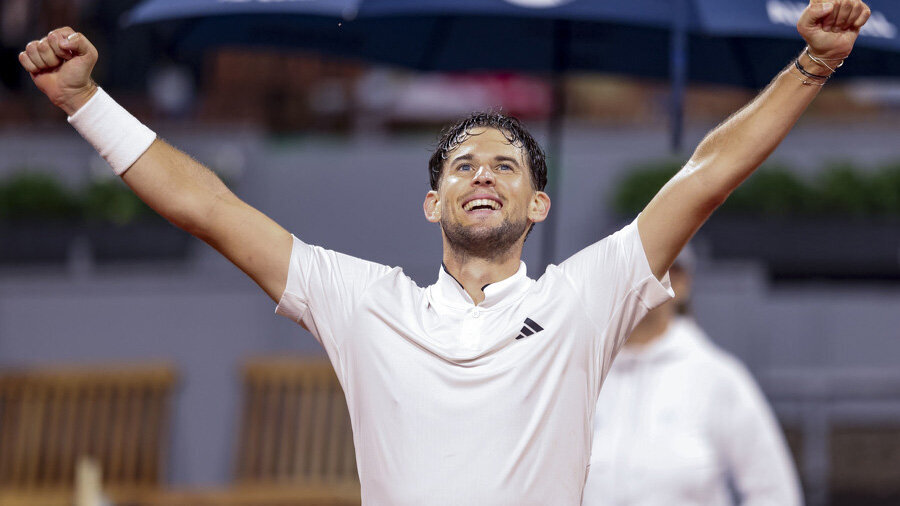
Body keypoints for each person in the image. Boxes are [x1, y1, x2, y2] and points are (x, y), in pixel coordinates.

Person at [17, 1, 869, 504]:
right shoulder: (362, 303)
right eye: (464, 165)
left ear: (540, 204)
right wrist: (87, 102)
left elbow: (705, 176)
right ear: (434, 203)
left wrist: (812, 65)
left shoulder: (584, 295)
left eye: (506, 164)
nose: (483, 175)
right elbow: (209, 208)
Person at [582, 249, 804, 506]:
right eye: (622, 267)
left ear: (680, 281)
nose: (631, 279)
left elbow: (774, 494)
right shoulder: (580, 376)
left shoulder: (719, 378)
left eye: (647, 265)